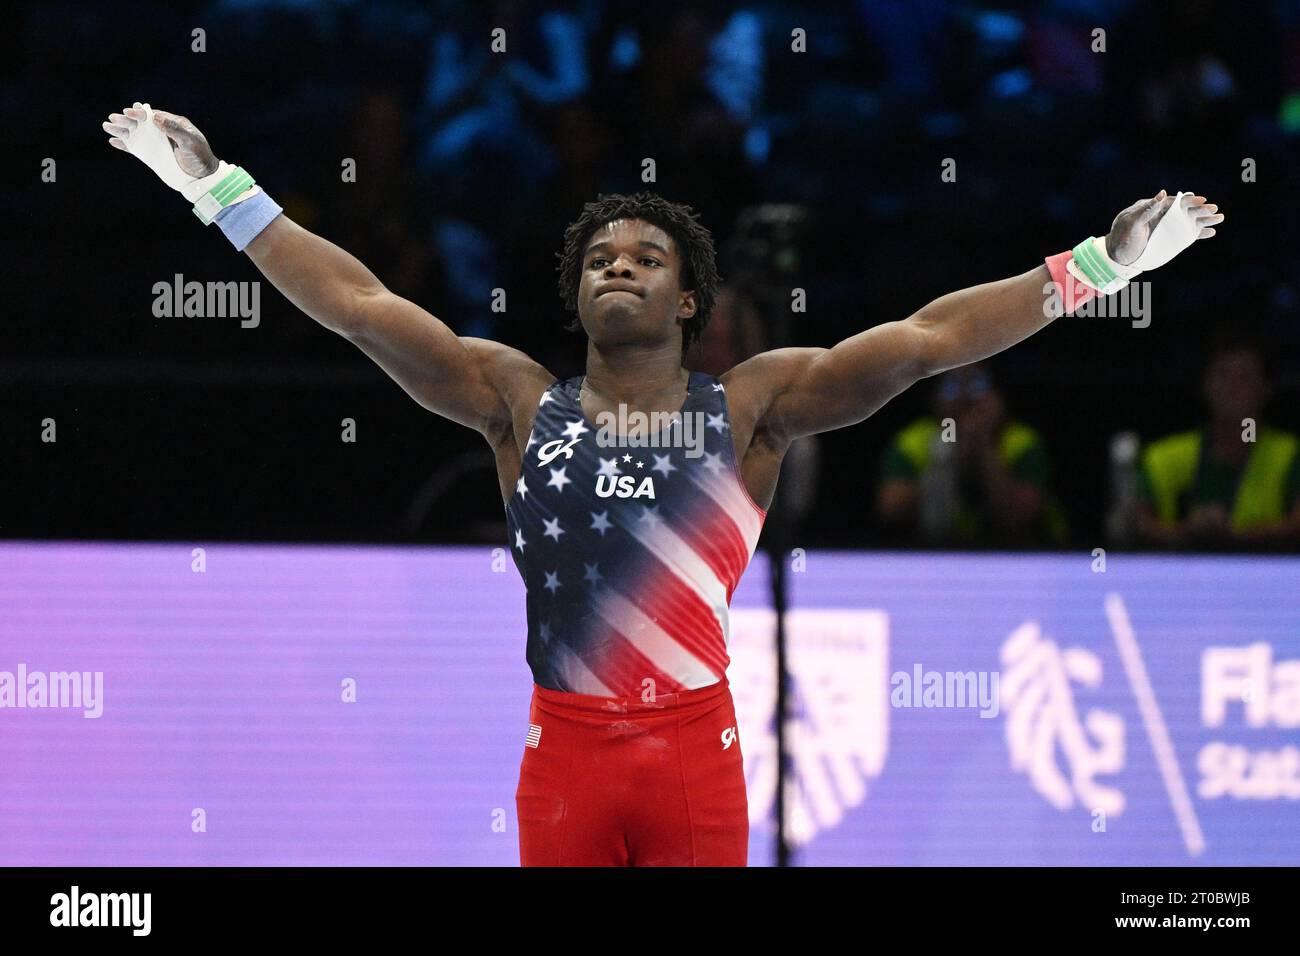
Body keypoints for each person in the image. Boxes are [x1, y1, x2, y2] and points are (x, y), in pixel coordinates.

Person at [102, 102, 1223, 865]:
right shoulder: (512, 400)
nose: (617, 265)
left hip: (694, 752)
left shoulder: (751, 407)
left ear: (688, 300)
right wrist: (218, 189)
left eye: (644, 256)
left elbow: (930, 338)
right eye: (598, 257)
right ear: (577, 296)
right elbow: (358, 306)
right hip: (563, 749)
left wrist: (1102, 265)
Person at [876, 363, 1067, 546]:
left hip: (1023, 556)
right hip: (935, 556)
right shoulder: (912, 442)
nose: (964, 397)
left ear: (996, 394)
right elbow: (892, 512)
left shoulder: (1023, 442)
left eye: (976, 385)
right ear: (934, 397)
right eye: (951, 386)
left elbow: (1017, 519)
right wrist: (948, 459)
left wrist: (984, 444)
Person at [1137, 336, 1300, 547]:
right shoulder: (1163, 457)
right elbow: (1135, 524)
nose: (1233, 388)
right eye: (1224, 375)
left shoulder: (1291, 455)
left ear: (1265, 389)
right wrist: (1188, 530)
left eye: (1245, 377)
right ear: (1206, 385)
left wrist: (1234, 537)